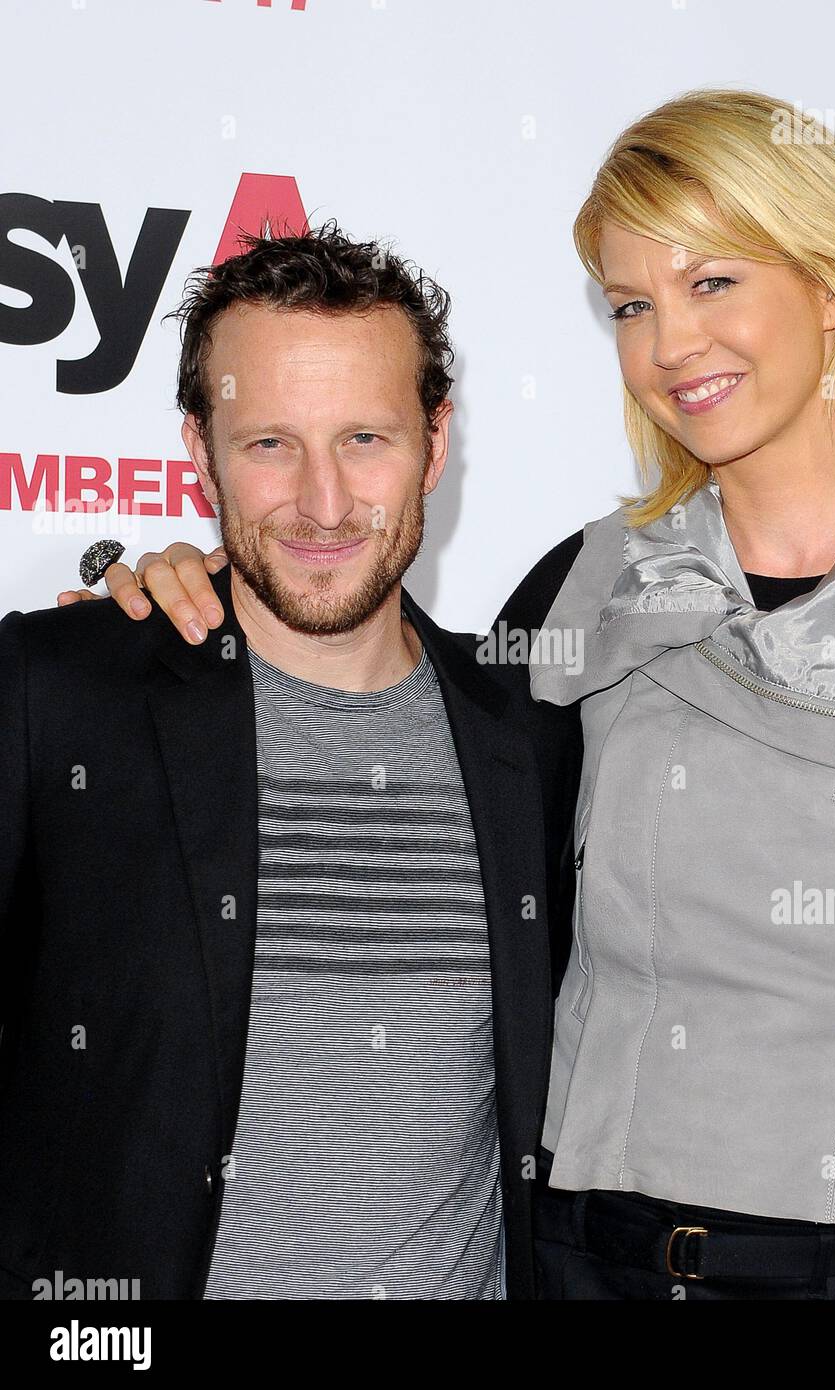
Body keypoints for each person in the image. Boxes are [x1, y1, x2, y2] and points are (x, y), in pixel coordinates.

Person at [67, 92, 835, 1293]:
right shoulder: (580, 586)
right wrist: (175, 596)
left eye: (712, 282)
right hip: (576, 1269)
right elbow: (361, 685)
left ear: (833, 285)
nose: (671, 343)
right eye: (633, 304)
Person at [0, 225, 583, 1300]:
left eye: (365, 438)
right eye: (270, 442)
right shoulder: (61, 693)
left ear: (436, 443)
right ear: (198, 450)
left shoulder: (536, 730)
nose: (322, 502)